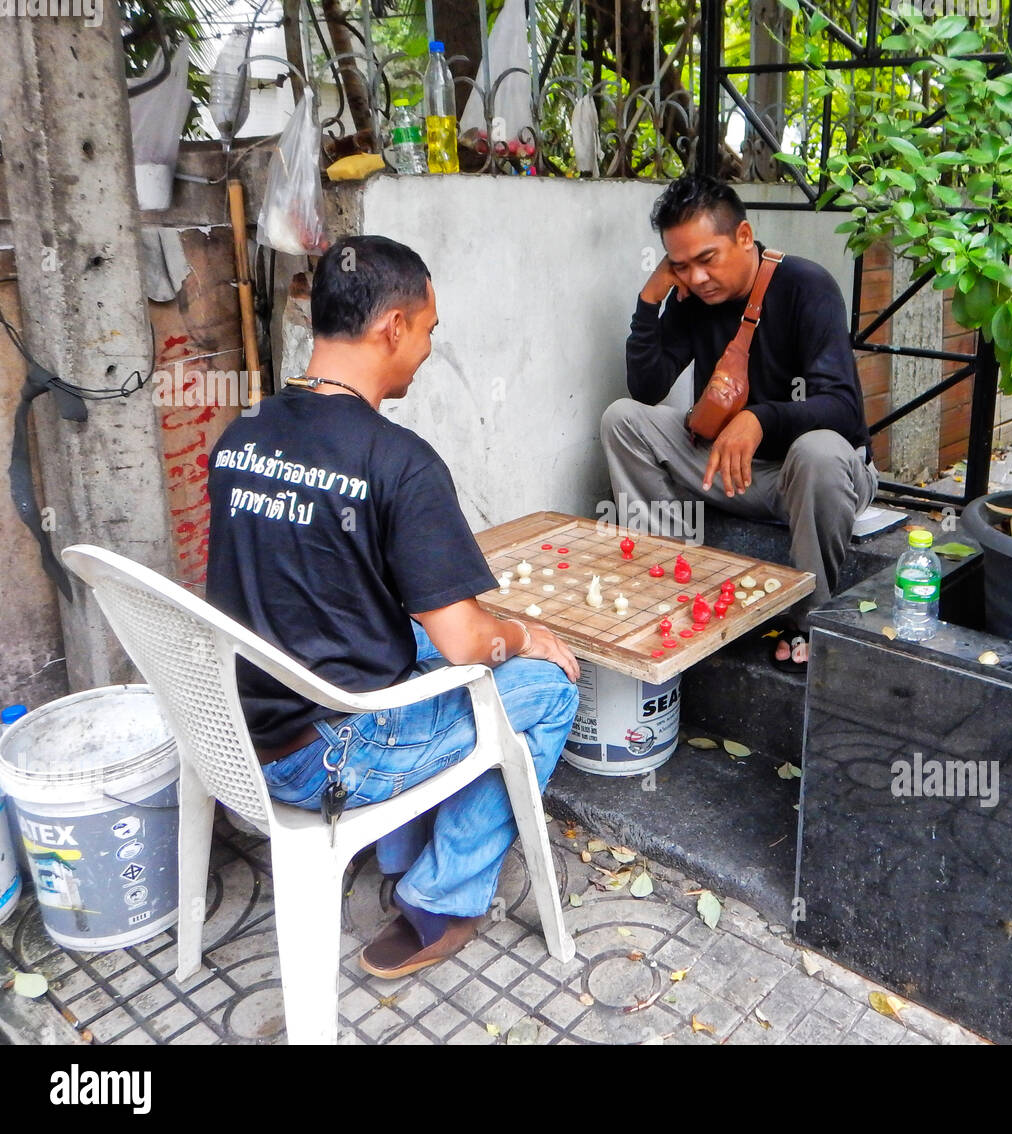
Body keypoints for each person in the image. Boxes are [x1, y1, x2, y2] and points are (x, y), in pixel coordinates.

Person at [206, 235, 580, 979]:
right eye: (430, 331)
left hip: (232, 734)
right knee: (552, 685)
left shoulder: (242, 433)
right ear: (394, 328)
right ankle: (443, 895)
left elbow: (308, 584)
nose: (429, 350)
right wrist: (526, 636)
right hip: (328, 757)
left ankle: (401, 843)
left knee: (416, 632)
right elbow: (471, 642)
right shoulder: (398, 462)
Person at [601, 174, 877, 671]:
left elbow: (844, 411)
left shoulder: (806, 286)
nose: (698, 278)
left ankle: (808, 619)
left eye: (707, 259)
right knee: (622, 420)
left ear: (744, 237)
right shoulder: (693, 298)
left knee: (820, 451)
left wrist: (758, 418)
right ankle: (668, 579)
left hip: (804, 478)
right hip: (725, 472)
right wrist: (650, 299)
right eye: (681, 266)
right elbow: (646, 388)